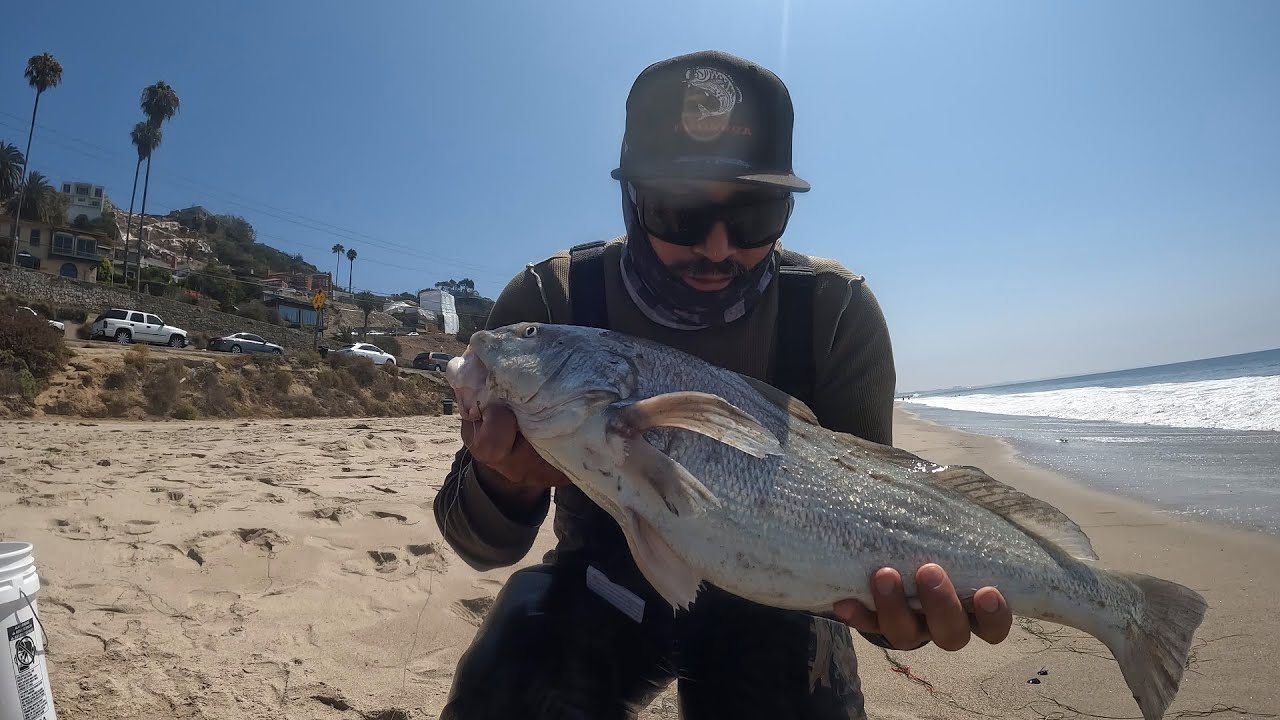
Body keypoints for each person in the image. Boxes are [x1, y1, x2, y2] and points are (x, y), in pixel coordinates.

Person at [432, 49, 1012, 720]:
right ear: (631, 200)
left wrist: (899, 614)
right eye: (678, 212)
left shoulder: (833, 312)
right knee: (510, 683)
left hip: (782, 601)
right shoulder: (550, 305)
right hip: (605, 592)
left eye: (755, 214)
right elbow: (478, 545)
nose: (716, 247)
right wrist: (505, 478)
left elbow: (873, 516)